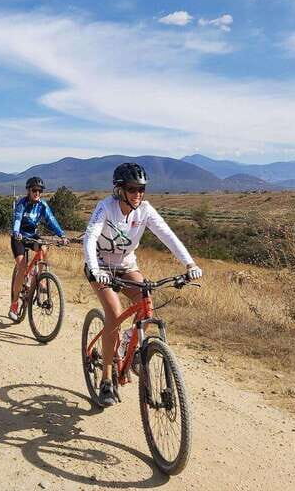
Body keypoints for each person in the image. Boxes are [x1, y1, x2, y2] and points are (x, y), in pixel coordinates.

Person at [83, 162, 202, 407]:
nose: (138, 193)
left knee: (146, 305)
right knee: (114, 314)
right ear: (119, 189)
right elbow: (90, 236)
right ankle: (106, 378)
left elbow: (167, 235)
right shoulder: (105, 207)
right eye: (132, 188)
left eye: (141, 189)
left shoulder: (145, 210)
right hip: (101, 267)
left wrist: (189, 264)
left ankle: (129, 341)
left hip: (126, 266)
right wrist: (95, 270)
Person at [9, 176, 69, 322]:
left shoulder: (42, 205)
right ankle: (14, 304)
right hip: (19, 237)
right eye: (34, 190)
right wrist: (16, 232)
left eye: (39, 191)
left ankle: (41, 279)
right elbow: (17, 218)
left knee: (43, 248)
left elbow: (51, 219)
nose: (37, 193)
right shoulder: (22, 203)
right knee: (22, 267)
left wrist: (61, 235)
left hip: (32, 236)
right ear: (28, 191)